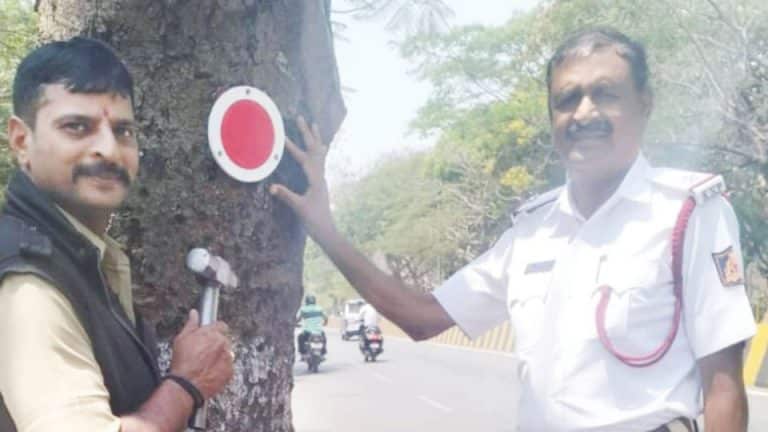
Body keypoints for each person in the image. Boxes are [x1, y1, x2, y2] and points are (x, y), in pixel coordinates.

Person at [271, 28, 756, 431]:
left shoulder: (688, 215)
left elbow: (724, 388)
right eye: (567, 100)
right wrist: (323, 225)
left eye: (605, 93)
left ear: (643, 104)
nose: (584, 112)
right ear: (552, 119)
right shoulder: (532, 233)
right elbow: (418, 316)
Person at [0, 37, 234, 432]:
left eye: (123, 131)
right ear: (22, 140)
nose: (109, 150)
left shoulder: (88, 256)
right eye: (77, 127)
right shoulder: (26, 284)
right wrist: (186, 385)